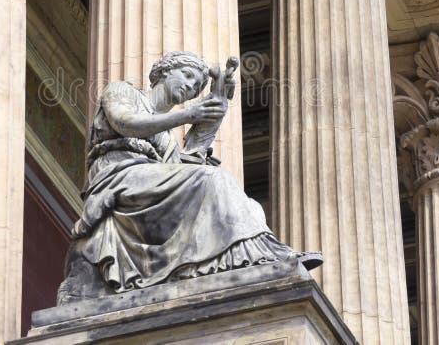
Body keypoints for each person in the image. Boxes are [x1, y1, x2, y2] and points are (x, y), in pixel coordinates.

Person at [57, 51, 321, 304]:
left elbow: (185, 169)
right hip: (119, 175)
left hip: (147, 182)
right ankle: (259, 256)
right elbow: (125, 123)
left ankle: (257, 257)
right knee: (212, 180)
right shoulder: (122, 91)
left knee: (246, 202)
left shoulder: (168, 140)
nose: (190, 87)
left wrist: (217, 106)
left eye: (196, 87)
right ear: (164, 71)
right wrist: (187, 115)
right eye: (186, 76)